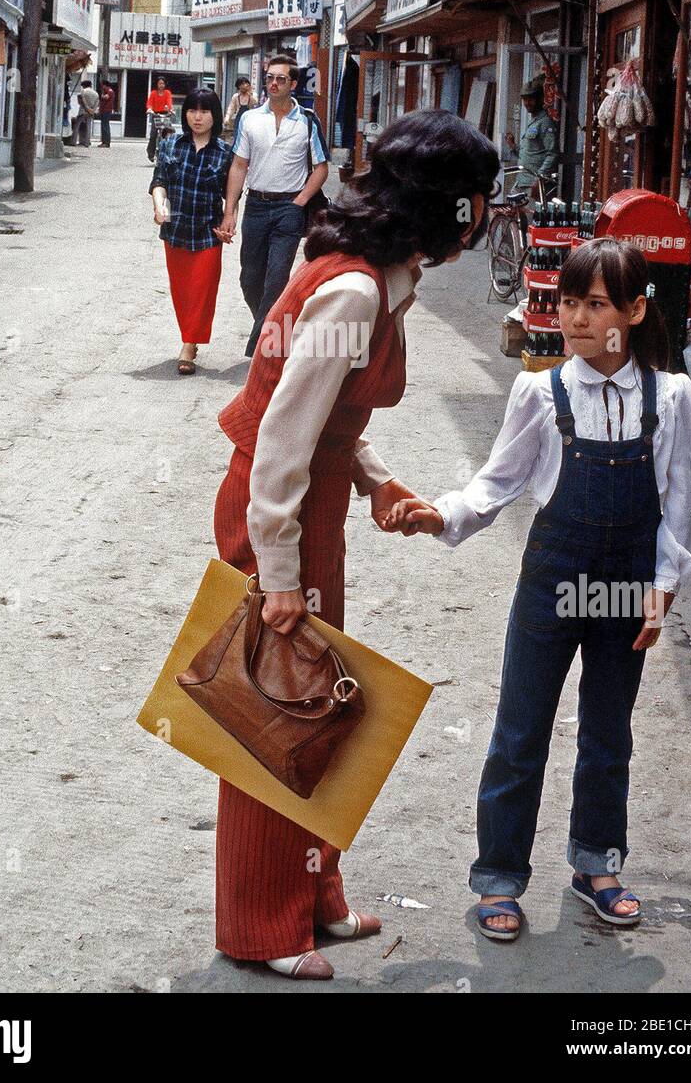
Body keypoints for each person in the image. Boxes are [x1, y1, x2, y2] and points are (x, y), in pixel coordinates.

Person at [212, 109, 499, 979]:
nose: (484, 215)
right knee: (275, 716)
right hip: (281, 515)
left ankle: (312, 894)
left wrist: (374, 481)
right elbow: (281, 441)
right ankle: (260, 928)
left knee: (318, 702)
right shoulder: (353, 289)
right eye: (478, 199)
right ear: (451, 208)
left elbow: (329, 416)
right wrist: (280, 576)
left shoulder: (375, 274)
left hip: (315, 502)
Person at [384, 238, 691, 942]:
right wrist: (443, 513)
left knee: (608, 731)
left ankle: (597, 863)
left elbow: (677, 495)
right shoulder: (539, 390)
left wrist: (664, 585)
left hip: (624, 587)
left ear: (635, 310)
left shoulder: (671, 396)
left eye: (594, 304)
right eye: (566, 302)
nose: (576, 319)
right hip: (552, 579)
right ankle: (498, 877)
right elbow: (496, 481)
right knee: (520, 729)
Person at [217, 53, 330, 358]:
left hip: (288, 210)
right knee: (250, 277)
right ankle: (273, 326)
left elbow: (321, 167)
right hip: (256, 206)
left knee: (277, 277)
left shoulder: (307, 120)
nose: (274, 84)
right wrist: (230, 212)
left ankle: (263, 348)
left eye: (281, 79)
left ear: (293, 83)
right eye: (269, 78)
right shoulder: (250, 119)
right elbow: (239, 165)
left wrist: (300, 202)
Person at [149, 89, 232, 375]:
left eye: (205, 111)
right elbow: (159, 181)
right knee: (182, 291)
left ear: (215, 115)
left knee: (202, 290)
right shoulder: (171, 144)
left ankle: (188, 343)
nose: (198, 117)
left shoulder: (225, 153)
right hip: (176, 229)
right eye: (193, 111)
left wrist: (229, 221)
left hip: (208, 231)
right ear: (185, 114)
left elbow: (231, 194)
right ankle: (190, 336)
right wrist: (160, 206)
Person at [513, 75, 558, 196]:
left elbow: (552, 154)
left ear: (539, 99)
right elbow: (530, 153)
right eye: (525, 100)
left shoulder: (545, 123)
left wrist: (540, 179)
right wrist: (513, 146)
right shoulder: (533, 122)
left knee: (531, 215)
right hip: (522, 182)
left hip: (534, 185)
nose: (527, 103)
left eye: (531, 99)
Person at [146, 76, 175, 162]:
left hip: (165, 115)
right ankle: (151, 154)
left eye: (163, 83)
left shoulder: (167, 93)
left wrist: (169, 109)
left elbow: (169, 103)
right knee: (153, 135)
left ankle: (171, 152)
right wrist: (149, 109)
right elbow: (149, 103)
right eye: (159, 83)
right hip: (156, 115)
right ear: (157, 84)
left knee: (170, 133)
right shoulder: (153, 93)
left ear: (165, 84)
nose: (161, 85)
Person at [222, 76, 257, 144]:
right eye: (242, 84)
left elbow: (255, 102)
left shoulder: (253, 95)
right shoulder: (236, 96)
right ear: (238, 86)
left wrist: (250, 93)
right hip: (239, 119)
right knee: (237, 138)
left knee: (248, 138)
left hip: (250, 119)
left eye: (246, 83)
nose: (244, 86)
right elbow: (231, 108)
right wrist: (227, 118)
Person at [75, 79, 100, 147]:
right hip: (91, 112)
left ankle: (74, 141)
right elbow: (97, 103)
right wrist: (92, 111)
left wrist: (86, 109)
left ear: (84, 85)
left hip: (82, 111)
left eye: (82, 86)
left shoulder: (83, 91)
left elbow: (82, 101)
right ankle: (87, 142)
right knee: (88, 127)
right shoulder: (96, 93)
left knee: (77, 126)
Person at [99, 78, 115, 148]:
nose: (102, 87)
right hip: (104, 110)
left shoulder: (109, 91)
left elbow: (105, 98)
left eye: (102, 85)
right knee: (103, 126)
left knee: (105, 126)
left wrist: (102, 96)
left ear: (105, 85)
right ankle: (104, 141)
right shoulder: (106, 91)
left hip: (106, 110)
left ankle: (106, 142)